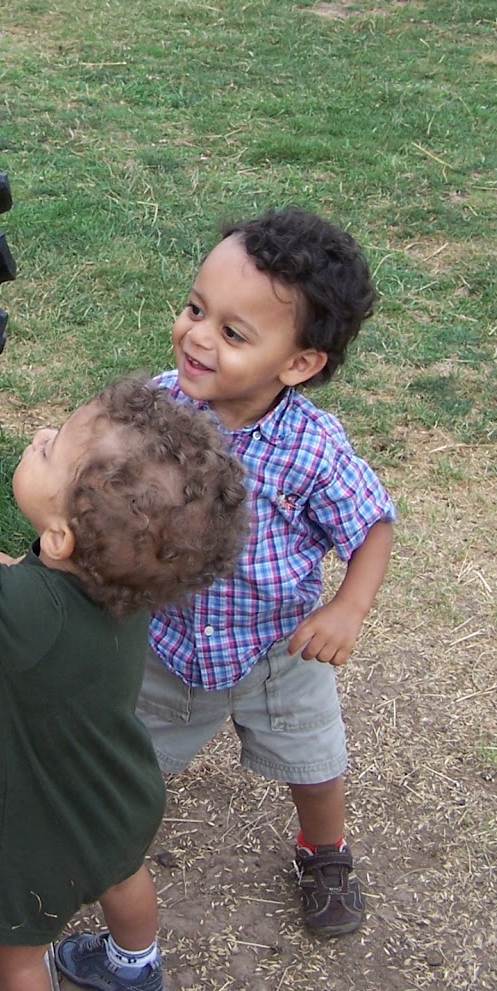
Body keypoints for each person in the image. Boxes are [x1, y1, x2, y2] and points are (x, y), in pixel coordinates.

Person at [0, 309, 249, 991]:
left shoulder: (34, 610)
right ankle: (136, 969)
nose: (39, 436)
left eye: (49, 451)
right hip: (123, 792)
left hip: (46, 828)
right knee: (122, 871)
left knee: (11, 946)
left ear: (65, 538)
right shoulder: (124, 582)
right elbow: (3, 577)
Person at [135, 206, 396, 943]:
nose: (196, 335)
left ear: (299, 363)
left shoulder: (311, 449)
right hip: (168, 637)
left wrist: (346, 609)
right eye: (195, 309)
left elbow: (372, 523)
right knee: (132, 759)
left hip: (282, 646)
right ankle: (116, 845)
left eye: (231, 332)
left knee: (313, 758)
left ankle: (325, 852)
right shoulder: (158, 409)